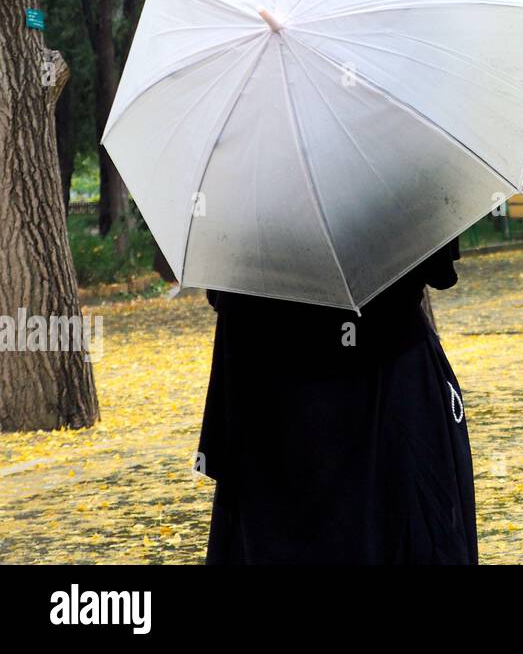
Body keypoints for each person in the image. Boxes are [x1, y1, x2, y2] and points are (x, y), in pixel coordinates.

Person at [198, 239, 475, 564]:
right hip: (387, 378)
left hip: (270, 388)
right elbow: (440, 271)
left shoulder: (239, 193)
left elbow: (219, 290)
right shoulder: (392, 187)